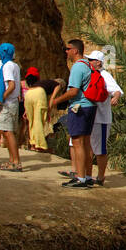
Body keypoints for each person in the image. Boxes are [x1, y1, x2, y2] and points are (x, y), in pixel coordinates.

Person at [50, 38, 97, 187]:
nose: (66, 51)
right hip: (90, 106)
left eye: (68, 49)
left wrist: (56, 101)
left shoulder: (77, 67)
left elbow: (74, 91)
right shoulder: (88, 65)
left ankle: (80, 178)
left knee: (77, 142)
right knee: (86, 142)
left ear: (75, 50)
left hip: (79, 107)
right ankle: (88, 176)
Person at [85, 50, 122, 185]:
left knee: (100, 150)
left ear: (98, 62)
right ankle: (87, 175)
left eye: (91, 60)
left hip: (101, 119)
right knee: (88, 147)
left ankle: (100, 177)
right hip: (91, 118)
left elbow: (117, 90)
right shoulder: (90, 74)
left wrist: (116, 97)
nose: (89, 62)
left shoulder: (105, 75)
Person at [0, 42, 23, 172]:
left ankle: (16, 162)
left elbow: (11, 85)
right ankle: (12, 161)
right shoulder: (14, 65)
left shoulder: (7, 66)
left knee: (8, 132)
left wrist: (1, 99)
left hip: (8, 103)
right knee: (7, 132)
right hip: (13, 102)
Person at [23, 68, 51, 152]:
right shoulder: (40, 83)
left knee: (31, 121)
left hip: (28, 94)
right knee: (39, 121)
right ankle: (40, 145)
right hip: (39, 93)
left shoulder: (27, 80)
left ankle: (33, 144)